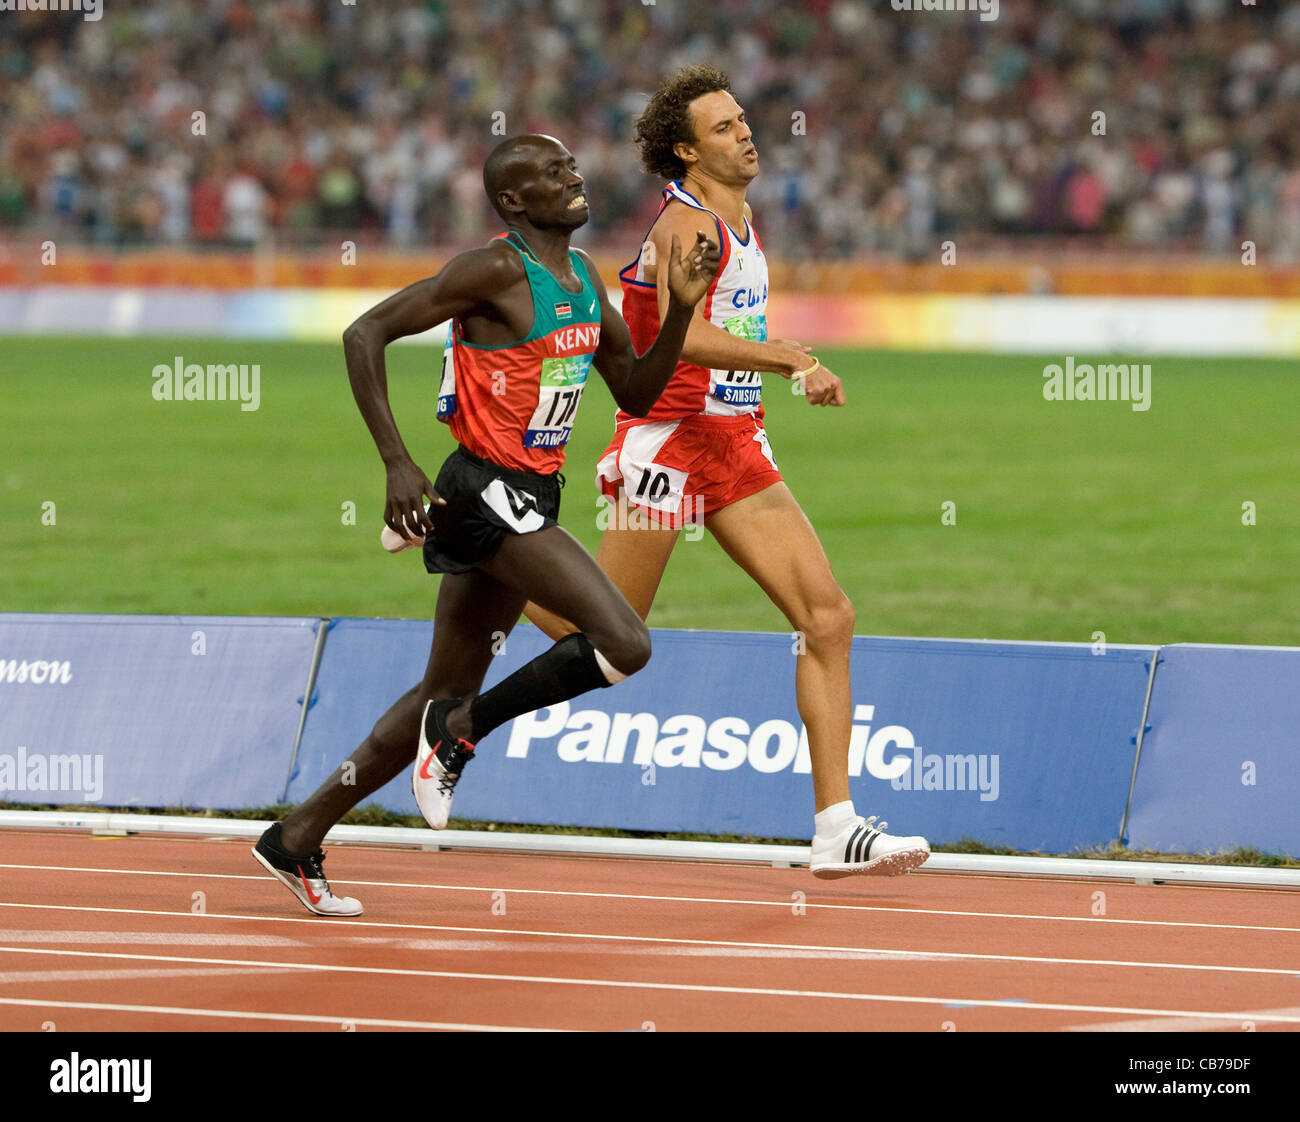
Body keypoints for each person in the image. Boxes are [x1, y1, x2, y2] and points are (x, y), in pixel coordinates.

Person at [252, 134, 720, 916]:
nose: (572, 177)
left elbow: (636, 392)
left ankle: (296, 837)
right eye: (550, 173)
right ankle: (464, 729)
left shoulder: (582, 278)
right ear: (512, 201)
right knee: (624, 643)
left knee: (441, 686)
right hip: (484, 493)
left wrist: (679, 309)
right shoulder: (495, 270)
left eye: (572, 166)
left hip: (533, 491)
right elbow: (363, 333)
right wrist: (397, 462)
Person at [525, 66, 931, 878]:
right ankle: (485, 557)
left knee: (828, 618)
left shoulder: (740, 220)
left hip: (733, 443)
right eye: (724, 127)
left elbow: (724, 326)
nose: (746, 132)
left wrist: (764, 378)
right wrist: (789, 358)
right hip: (667, 444)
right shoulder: (684, 227)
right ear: (687, 151)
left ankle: (836, 826)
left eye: (743, 120)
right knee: (603, 640)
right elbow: (686, 339)